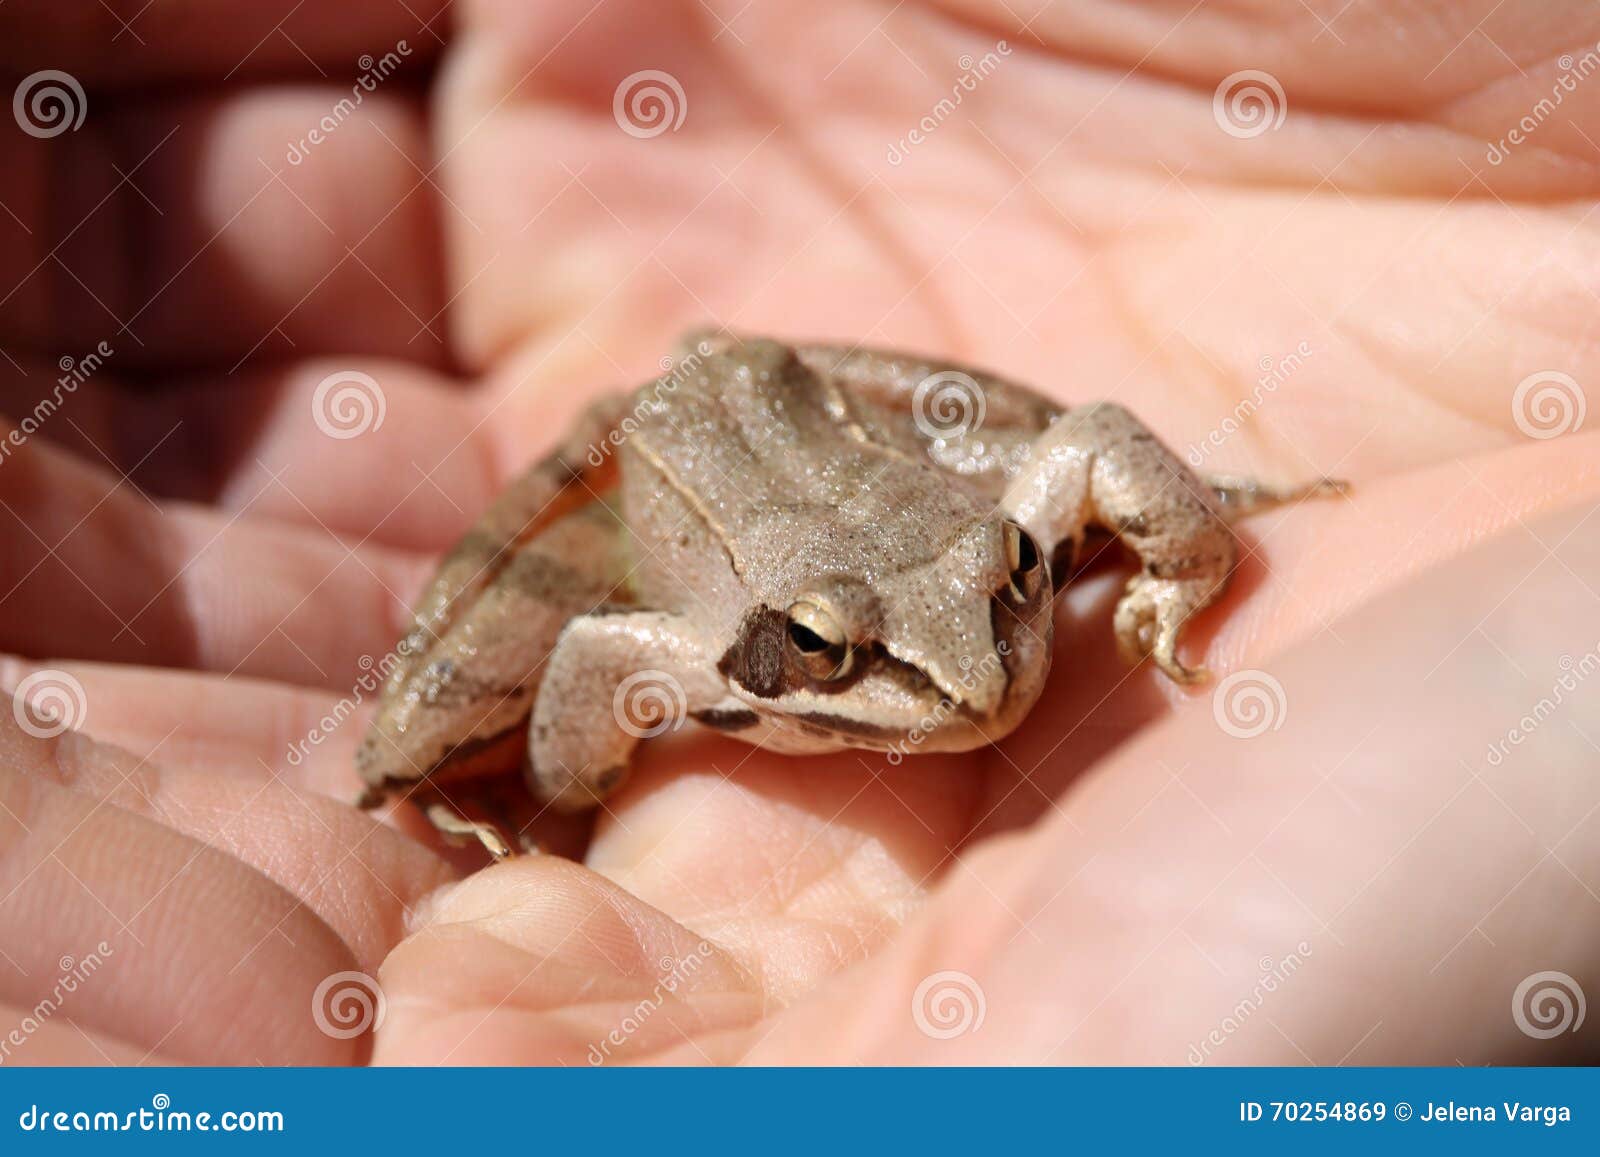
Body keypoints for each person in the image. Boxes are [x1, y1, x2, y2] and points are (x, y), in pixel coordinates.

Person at [0, 0, 1595, 1065]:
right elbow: (604, 654)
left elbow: (1094, 443)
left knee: (1019, 464)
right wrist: (560, 792)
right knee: (430, 725)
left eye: (1020, 585)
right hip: (676, 463)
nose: (981, 682)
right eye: (840, 658)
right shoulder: (702, 642)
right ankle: (482, 742)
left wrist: (1180, 561)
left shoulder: (983, 589)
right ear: (793, 655)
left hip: (809, 409)